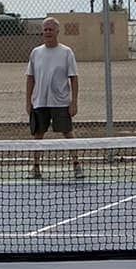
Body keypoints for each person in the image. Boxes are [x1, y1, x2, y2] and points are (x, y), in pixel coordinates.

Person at [24, 19, 83, 177]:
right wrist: (28, 101)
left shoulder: (66, 52)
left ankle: (77, 165)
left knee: (67, 132)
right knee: (38, 135)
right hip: (40, 102)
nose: (48, 32)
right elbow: (30, 78)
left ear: (57, 31)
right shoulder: (36, 53)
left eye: (51, 29)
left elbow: (74, 78)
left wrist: (74, 102)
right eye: (45, 30)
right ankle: (35, 167)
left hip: (60, 102)